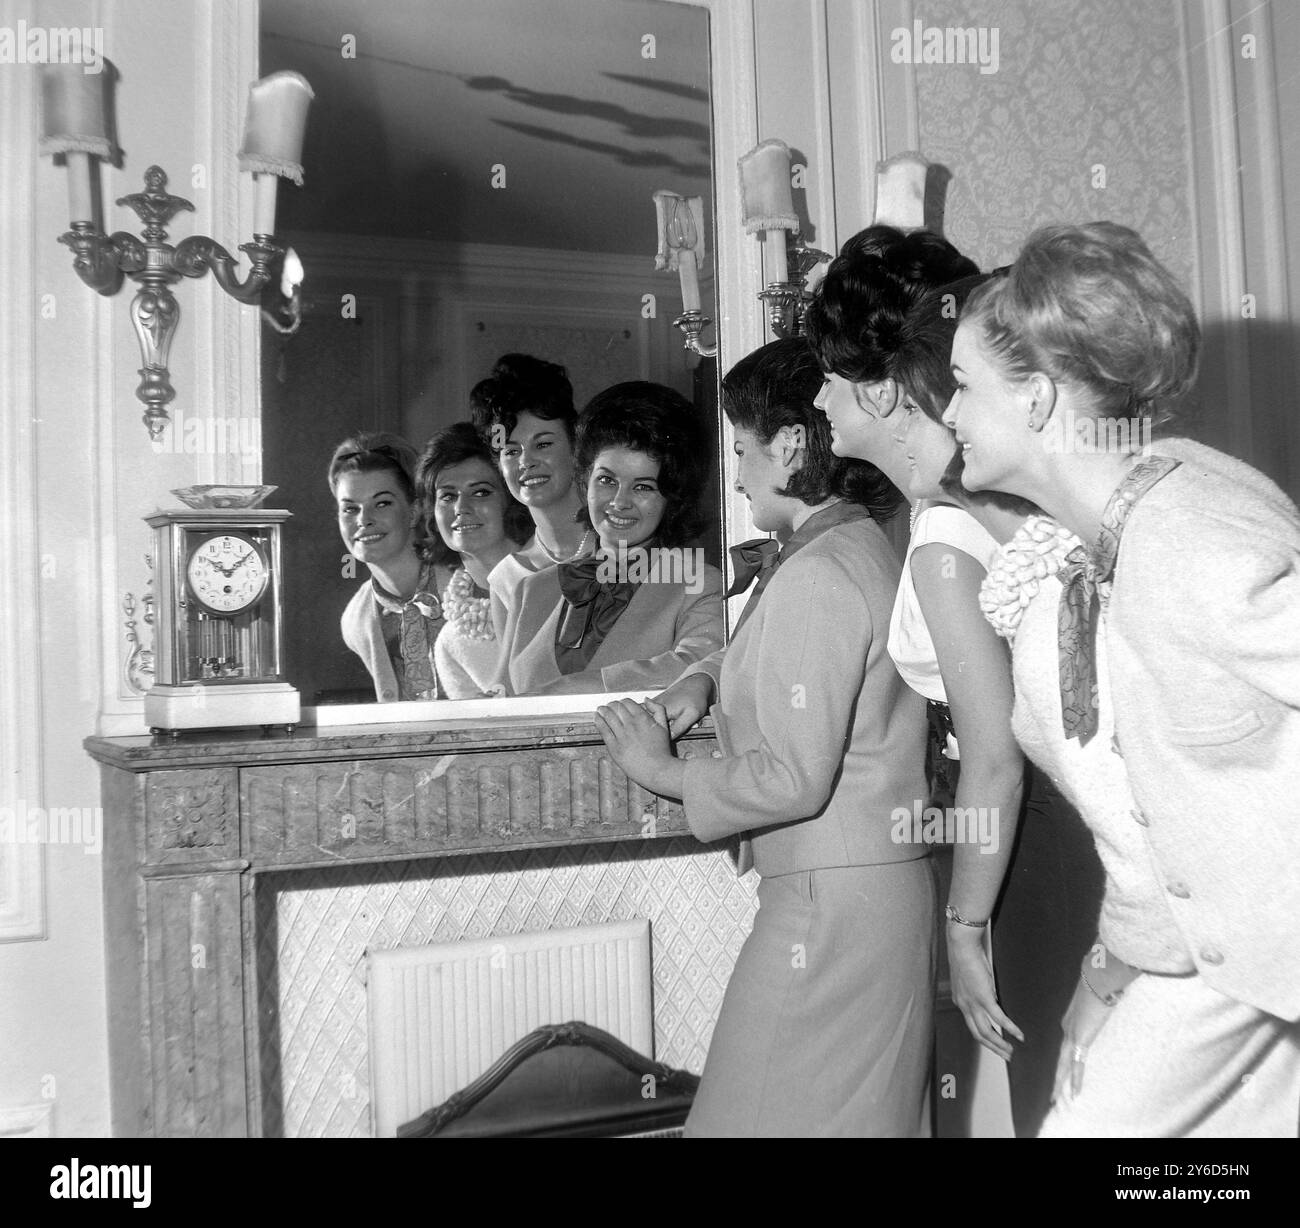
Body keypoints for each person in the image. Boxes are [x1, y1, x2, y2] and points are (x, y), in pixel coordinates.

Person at [945, 220, 1300, 1137]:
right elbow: (1143, 820)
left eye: (959, 385)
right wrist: (1107, 976)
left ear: (1034, 399)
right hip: (1219, 963)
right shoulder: (1085, 558)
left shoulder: (1191, 530)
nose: (945, 414)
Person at [596, 340, 932, 1136]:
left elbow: (791, 776)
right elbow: (790, 651)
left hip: (832, 905)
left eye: (742, 449)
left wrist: (657, 767)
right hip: (861, 893)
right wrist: (705, 676)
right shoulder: (847, 546)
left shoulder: (818, 570)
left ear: (788, 447)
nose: (737, 471)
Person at [806, 228, 1043, 1135]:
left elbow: (996, 758)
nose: (819, 395)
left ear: (877, 388)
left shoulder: (947, 537)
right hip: (1018, 834)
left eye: (828, 374)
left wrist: (964, 926)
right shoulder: (953, 510)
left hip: (1026, 846)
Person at [887, 276, 1105, 1137]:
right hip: (1055, 839)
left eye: (949, 396)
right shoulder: (1008, 538)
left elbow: (999, 761)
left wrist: (965, 925)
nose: (933, 423)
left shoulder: (999, 548)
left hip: (1057, 843)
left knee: (1074, 1105)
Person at [498, 381, 723, 696]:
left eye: (643, 487)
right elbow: (500, 701)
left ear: (672, 499)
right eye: (606, 480)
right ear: (585, 480)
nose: (619, 501)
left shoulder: (699, 582)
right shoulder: (531, 590)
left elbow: (700, 666)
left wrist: (578, 688)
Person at [469, 354, 595, 635]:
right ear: (498, 466)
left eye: (543, 444)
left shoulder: (624, 545)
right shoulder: (507, 579)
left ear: (575, 446)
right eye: (512, 451)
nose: (526, 462)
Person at [329, 431, 452, 702]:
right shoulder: (355, 620)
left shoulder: (465, 580)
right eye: (350, 509)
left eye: (382, 503)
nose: (364, 520)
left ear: (414, 511)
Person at [413, 423, 532, 699]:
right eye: (448, 496)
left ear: (511, 500)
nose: (461, 508)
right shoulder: (450, 643)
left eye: (480, 492)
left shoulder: (556, 583)